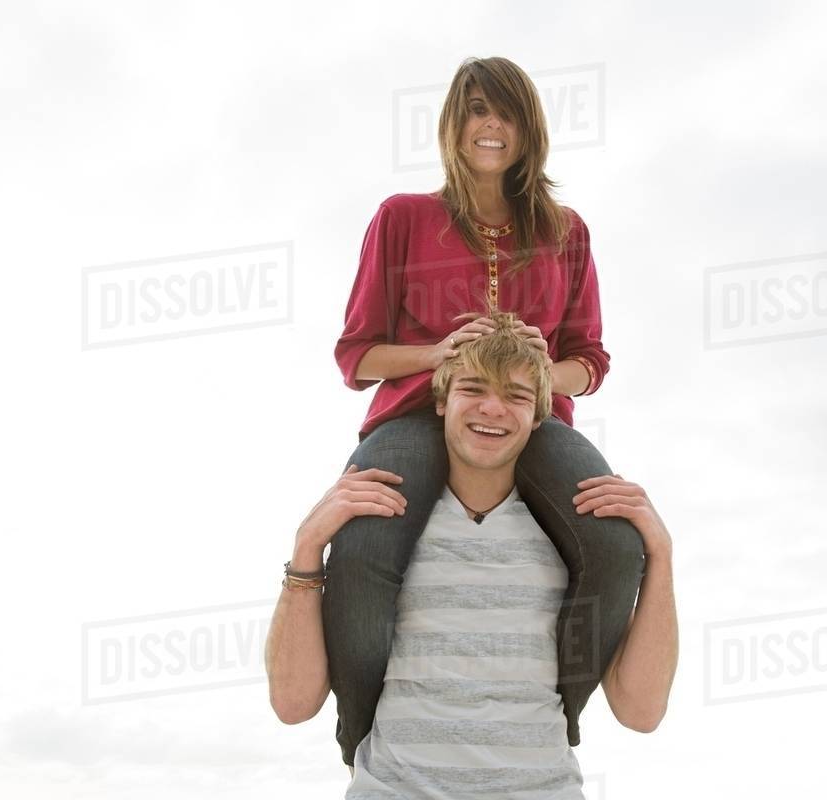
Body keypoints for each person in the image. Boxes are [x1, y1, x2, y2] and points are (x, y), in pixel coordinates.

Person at [322, 55, 647, 768]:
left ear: (529, 130)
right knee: (362, 544)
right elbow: (356, 356)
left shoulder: (567, 231)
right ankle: (359, 735)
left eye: (506, 113)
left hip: (533, 422)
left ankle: (559, 718)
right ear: (453, 124)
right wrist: (437, 353)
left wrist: (538, 370)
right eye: (476, 110)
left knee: (618, 544)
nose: (490, 125)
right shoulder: (403, 217)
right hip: (414, 414)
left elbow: (590, 361)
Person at [265, 311, 678, 797]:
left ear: (540, 415)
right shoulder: (381, 527)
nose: (493, 408)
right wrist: (307, 546)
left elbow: (641, 711)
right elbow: (292, 703)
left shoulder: (571, 537)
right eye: (473, 388)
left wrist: (661, 554)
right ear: (441, 401)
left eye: (517, 396)